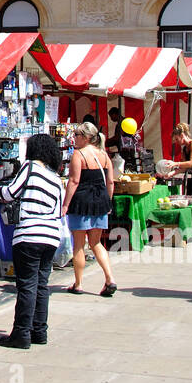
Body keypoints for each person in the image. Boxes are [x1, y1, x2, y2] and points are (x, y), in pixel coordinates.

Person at [0, 134, 64, 349]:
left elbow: (9, 193)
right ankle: (39, 331)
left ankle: (21, 333)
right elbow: (58, 210)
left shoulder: (31, 167)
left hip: (29, 234)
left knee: (26, 285)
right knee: (41, 285)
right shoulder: (55, 178)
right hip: (51, 235)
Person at [61, 123, 116, 296]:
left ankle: (78, 284)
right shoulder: (104, 155)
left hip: (82, 202)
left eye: (76, 135)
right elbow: (111, 182)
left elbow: (74, 181)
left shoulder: (79, 154)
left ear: (85, 138)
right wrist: (108, 201)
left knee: (79, 245)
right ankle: (110, 279)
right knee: (96, 243)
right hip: (100, 201)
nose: (73, 138)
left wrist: (65, 204)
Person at [165, 122, 192, 225]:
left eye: (177, 139)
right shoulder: (185, 149)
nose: (176, 142)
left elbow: (191, 163)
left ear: (182, 135)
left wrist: (175, 163)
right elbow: (185, 167)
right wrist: (172, 173)